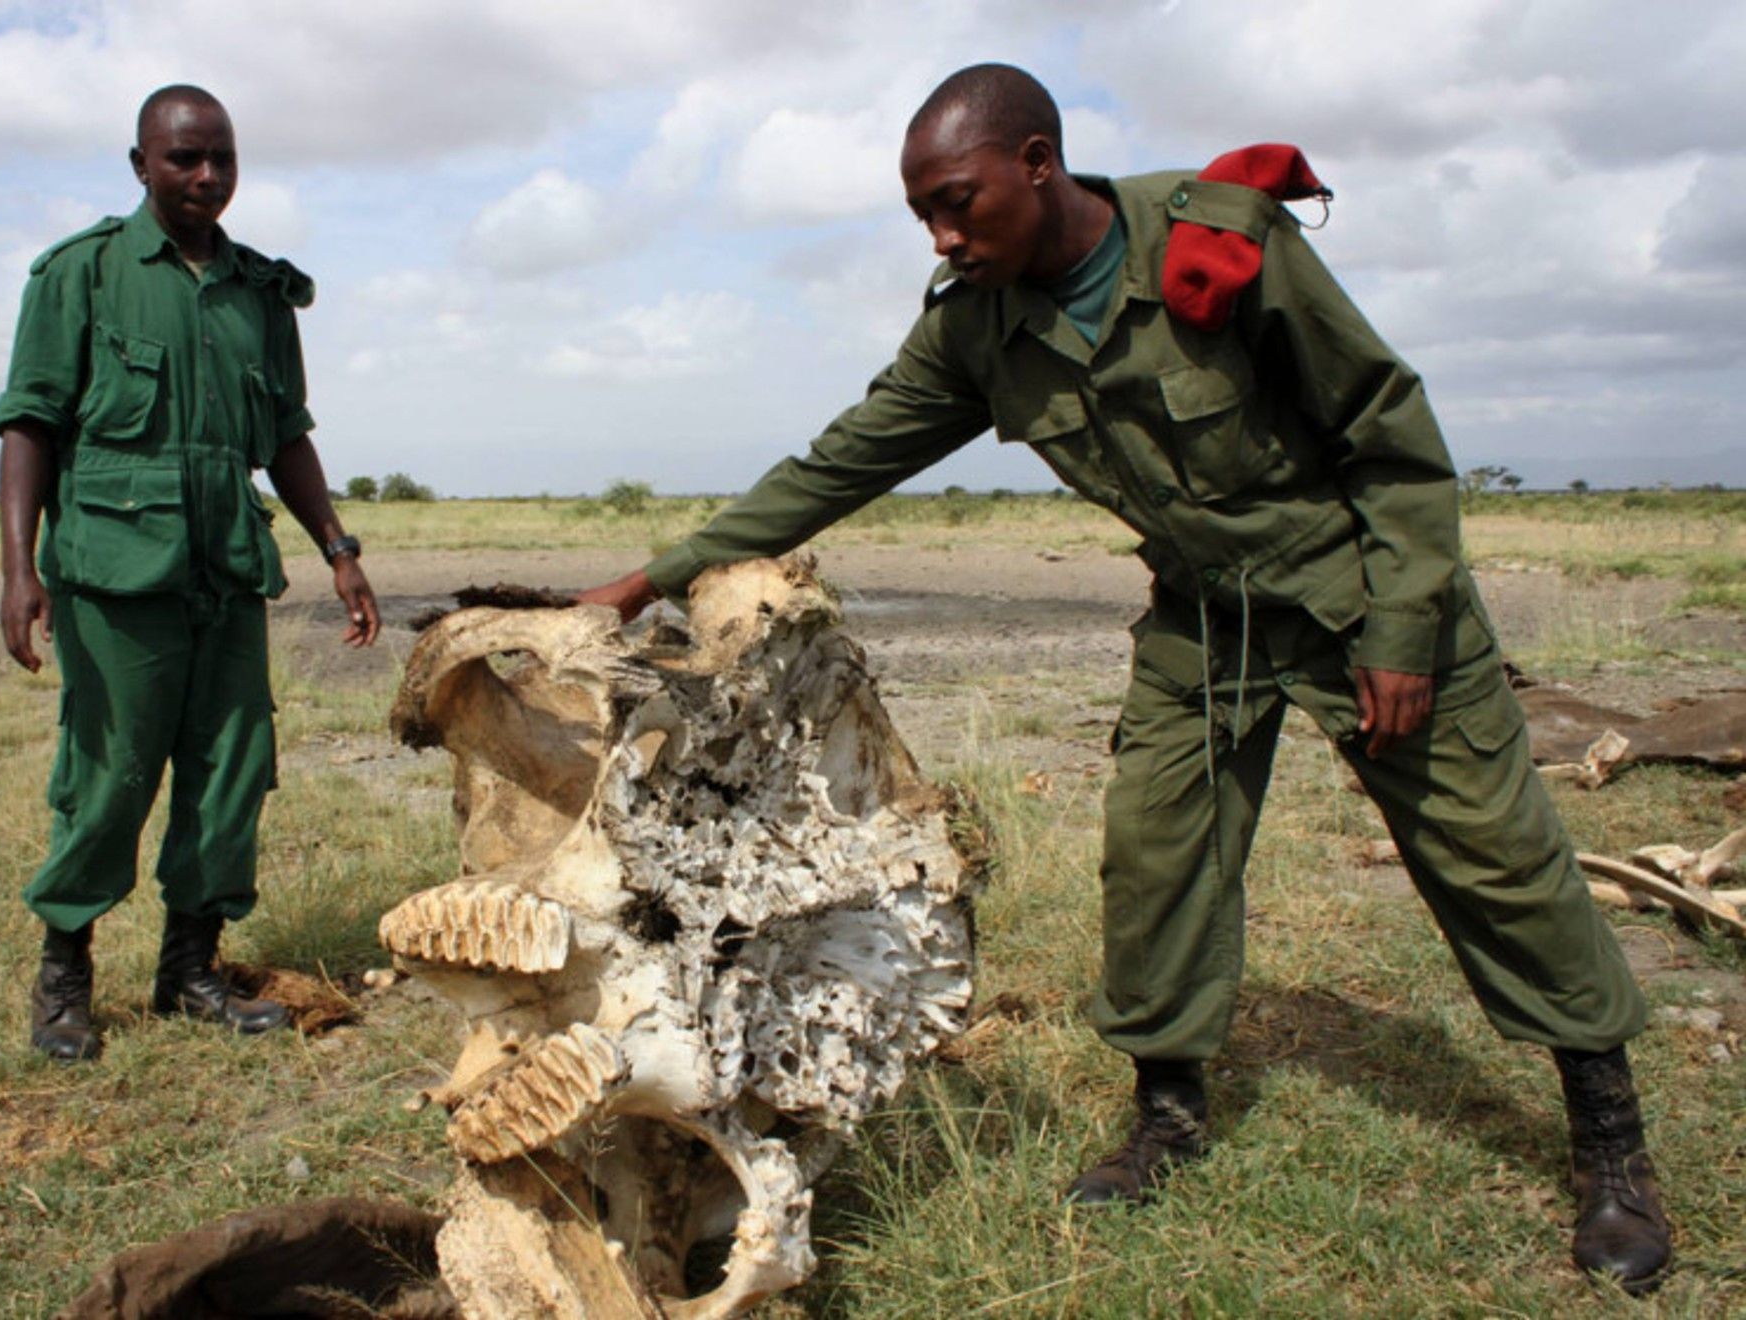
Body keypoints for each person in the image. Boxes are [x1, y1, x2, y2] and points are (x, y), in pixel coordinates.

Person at [578, 64, 1672, 1294]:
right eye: (922, 217)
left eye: (957, 203)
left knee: (1493, 859)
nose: (941, 236)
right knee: (1156, 853)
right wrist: (649, 578)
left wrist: (1404, 631)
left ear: (1036, 164)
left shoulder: (1221, 245)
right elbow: (842, 458)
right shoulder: (976, 326)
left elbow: (1386, 432)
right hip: (1204, 621)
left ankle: (1608, 1143)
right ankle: (1167, 1110)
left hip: (1358, 598)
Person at [0, 84, 381, 1065]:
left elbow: (284, 435)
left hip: (226, 572)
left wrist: (338, 550)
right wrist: (16, 570)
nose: (206, 176)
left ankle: (190, 970)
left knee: (230, 770)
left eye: (221, 158)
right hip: (116, 575)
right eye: (182, 159)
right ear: (140, 167)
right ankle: (65, 975)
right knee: (111, 773)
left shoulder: (258, 290)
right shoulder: (81, 275)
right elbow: (29, 423)